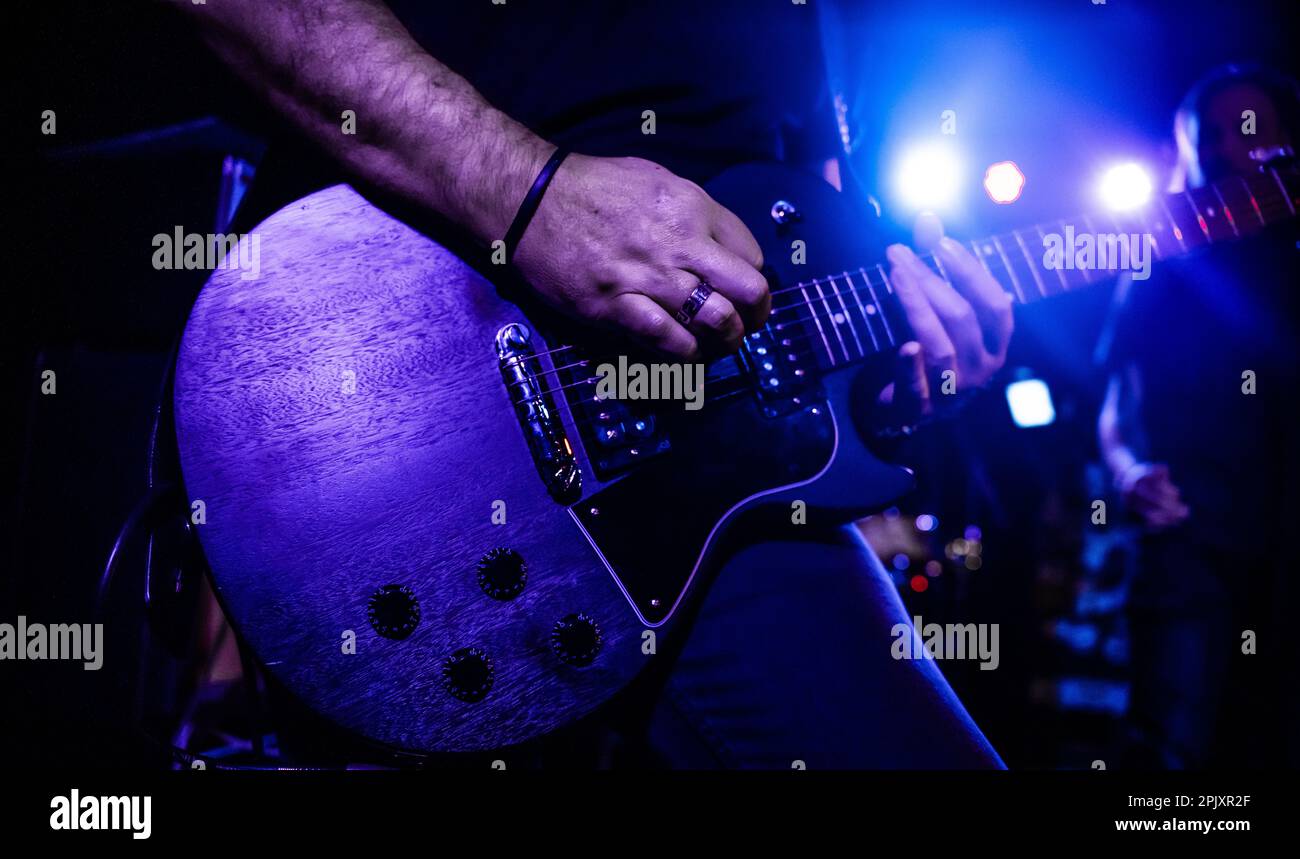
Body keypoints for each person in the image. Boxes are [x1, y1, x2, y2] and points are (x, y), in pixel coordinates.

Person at [170, 0, 1012, 768]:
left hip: (717, 486)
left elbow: (800, 227)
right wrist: (527, 194)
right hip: (416, 358)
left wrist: (887, 384)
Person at [1097, 63, 1300, 768]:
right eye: (1206, 133)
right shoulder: (1159, 257)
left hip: (1281, 539)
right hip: (1189, 537)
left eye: (1246, 128)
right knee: (1169, 751)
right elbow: (1117, 394)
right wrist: (1126, 472)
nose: (1224, 145)